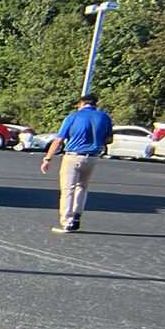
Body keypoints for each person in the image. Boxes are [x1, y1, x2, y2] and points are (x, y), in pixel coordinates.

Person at [40, 94, 113, 233]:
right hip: (92, 157)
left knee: (68, 189)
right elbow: (109, 139)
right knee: (82, 187)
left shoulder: (73, 117)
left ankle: (67, 221)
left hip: (73, 156)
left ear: (81, 103)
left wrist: (47, 158)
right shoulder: (104, 117)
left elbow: (59, 139)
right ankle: (77, 216)